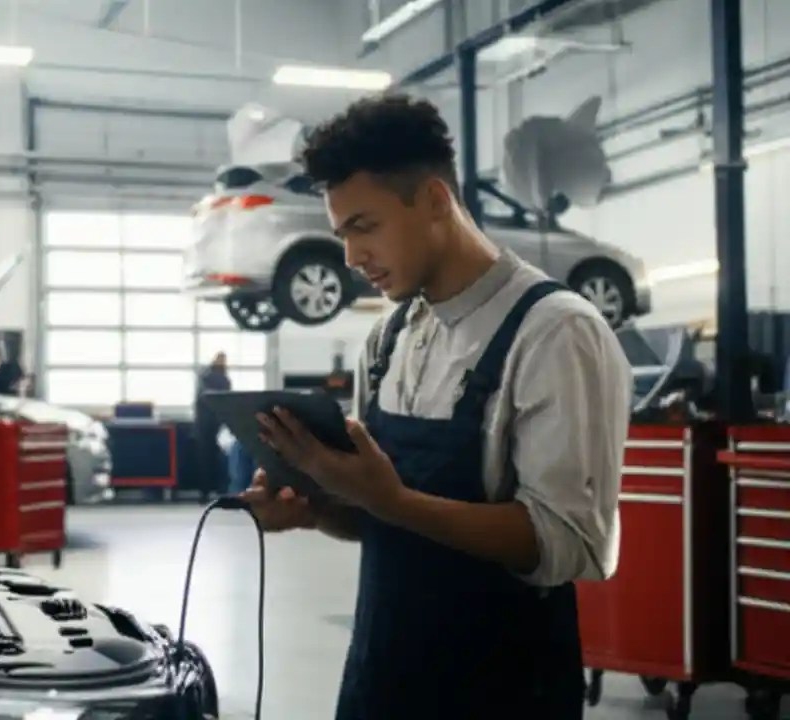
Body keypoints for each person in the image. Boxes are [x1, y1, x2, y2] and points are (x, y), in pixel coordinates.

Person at [242, 94, 631, 719]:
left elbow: (567, 542)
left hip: (502, 693)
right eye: (341, 235)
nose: (350, 258)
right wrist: (318, 508)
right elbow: (383, 522)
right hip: (382, 680)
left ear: (433, 201)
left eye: (364, 227)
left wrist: (391, 499)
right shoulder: (389, 338)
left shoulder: (555, 332)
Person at [193, 351, 231, 502]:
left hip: (204, 424)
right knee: (215, 458)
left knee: (204, 459)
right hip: (215, 424)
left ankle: (205, 491)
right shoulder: (222, 379)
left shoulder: (205, 377)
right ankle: (217, 488)